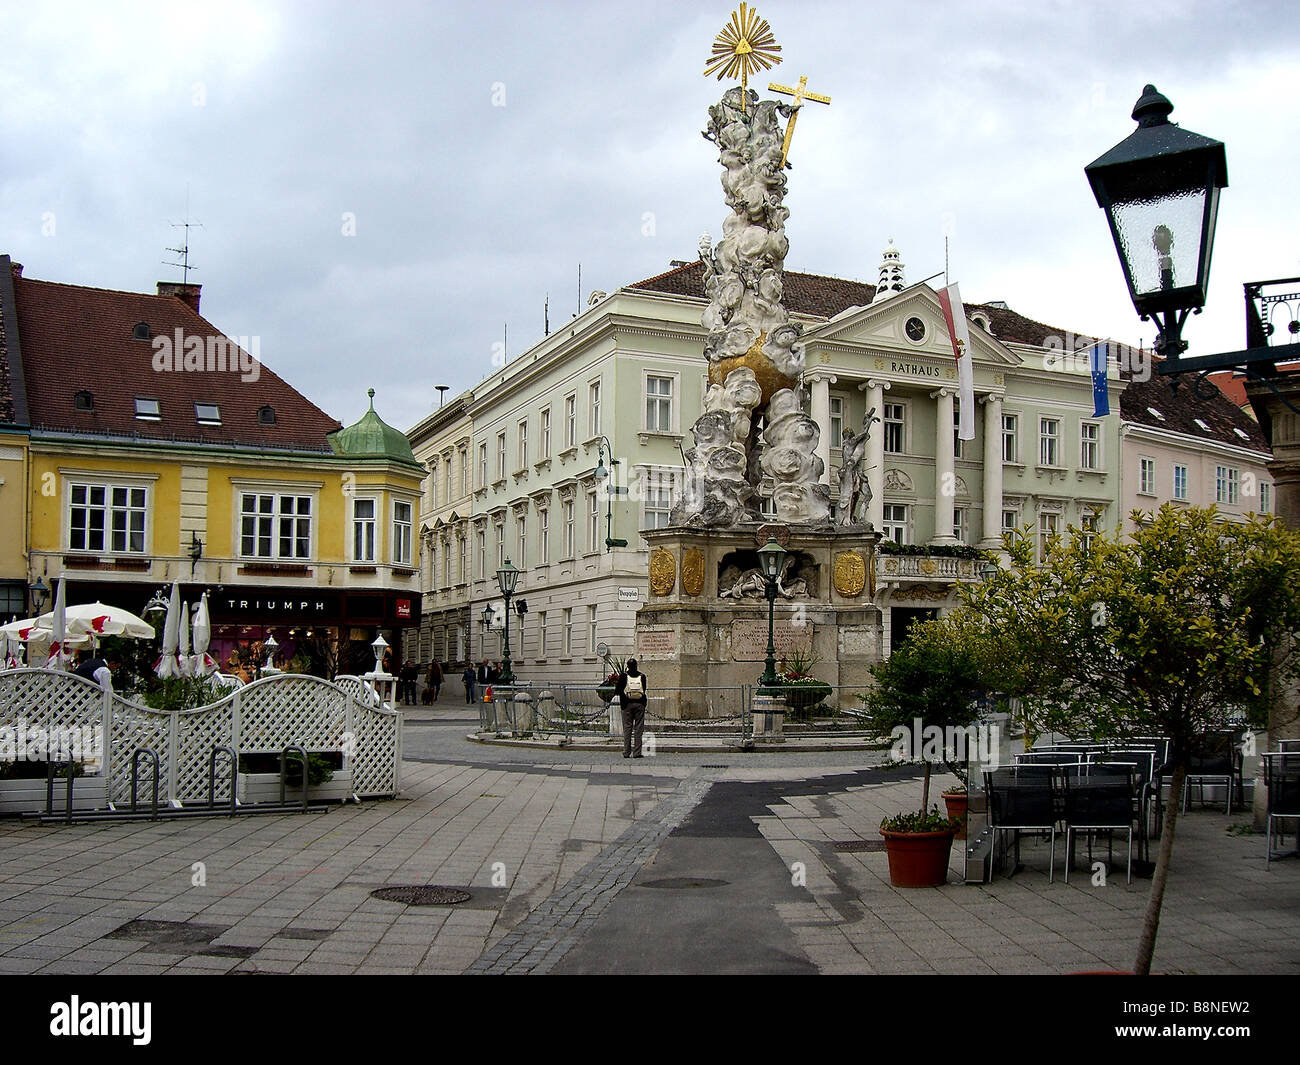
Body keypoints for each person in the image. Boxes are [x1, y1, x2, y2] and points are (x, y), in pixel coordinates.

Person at [615, 658, 648, 758]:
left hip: (626, 705)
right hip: (639, 704)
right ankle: (637, 752)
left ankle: (626, 751)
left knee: (627, 728)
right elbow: (644, 689)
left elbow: (617, 690)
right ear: (636, 665)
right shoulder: (642, 676)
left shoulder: (623, 676)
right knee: (638, 729)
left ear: (627, 666)